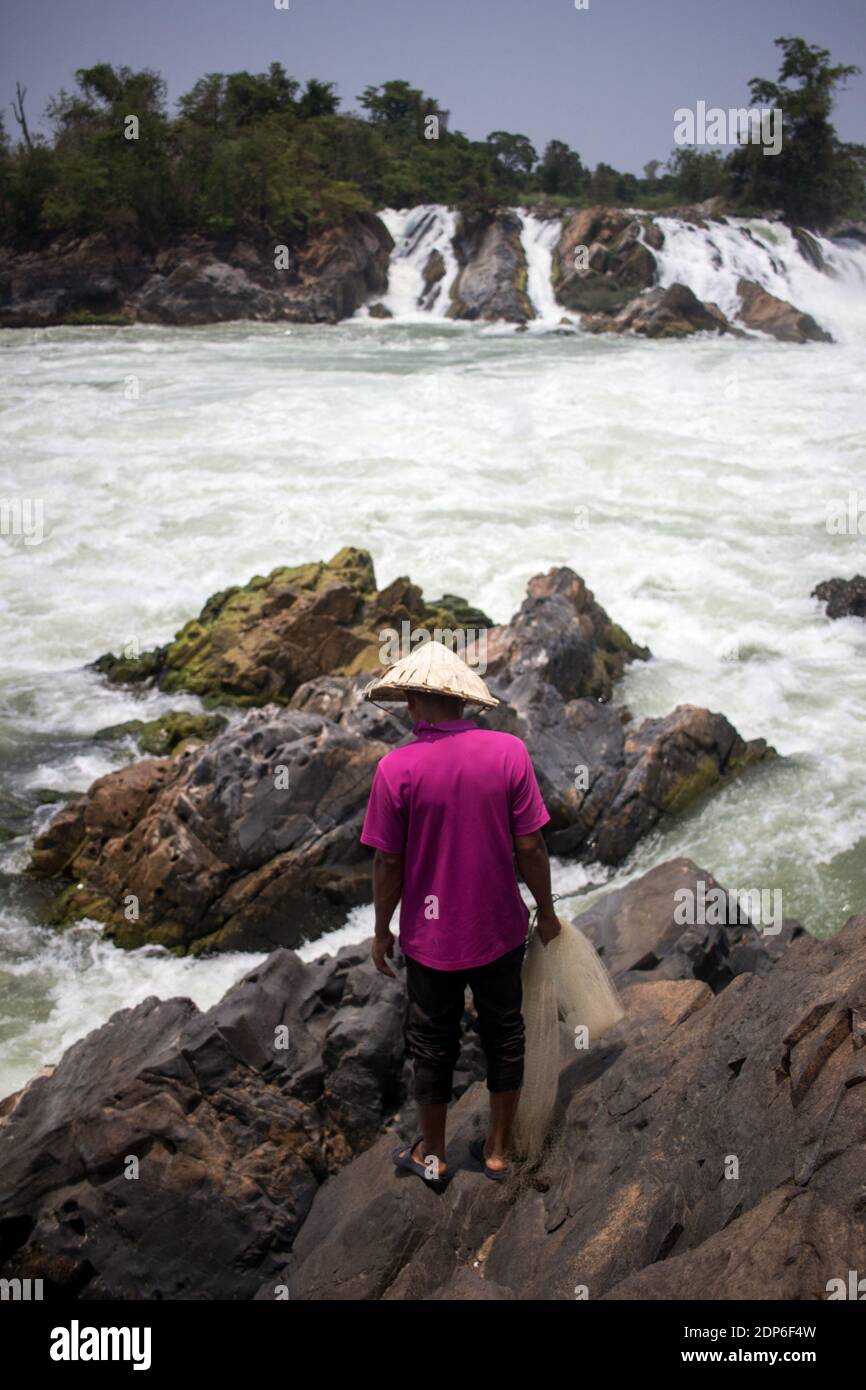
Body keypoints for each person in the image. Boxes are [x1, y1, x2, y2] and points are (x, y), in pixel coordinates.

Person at [359, 638, 562, 1187]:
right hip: (499, 928)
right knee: (504, 1033)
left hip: (432, 940)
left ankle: (435, 1154)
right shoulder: (508, 753)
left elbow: (387, 863)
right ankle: (497, 1151)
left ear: (416, 702)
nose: (405, 709)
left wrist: (381, 930)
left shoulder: (395, 770)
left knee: (432, 1045)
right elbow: (531, 848)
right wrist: (545, 910)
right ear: (462, 701)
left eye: (407, 699)